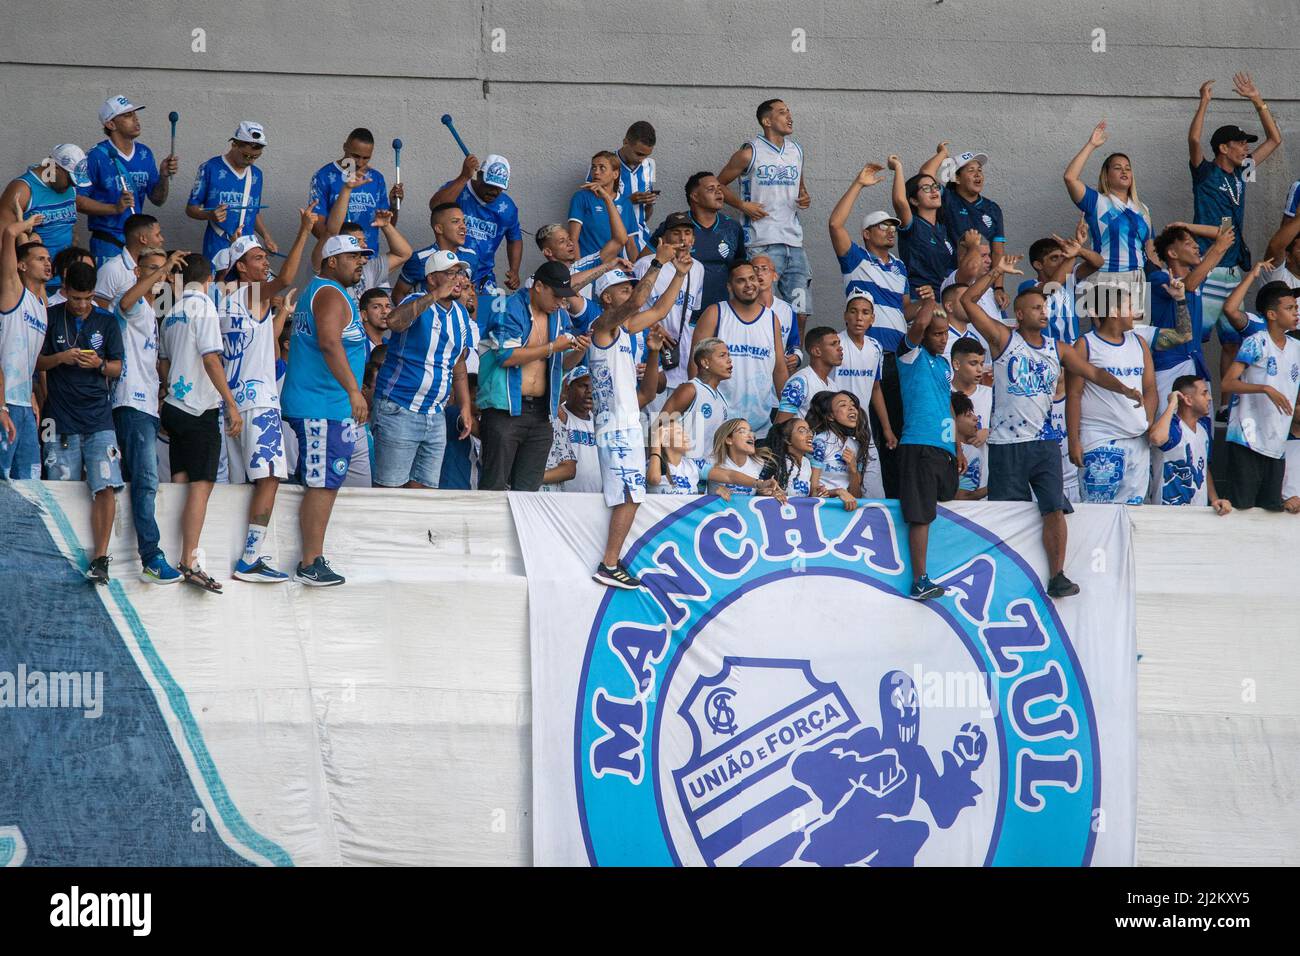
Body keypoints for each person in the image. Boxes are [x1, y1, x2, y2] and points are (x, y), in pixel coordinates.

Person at [962, 255, 1143, 598]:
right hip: (1006, 443)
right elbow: (967, 301)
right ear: (1019, 313)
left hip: (1044, 443)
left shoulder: (1057, 347)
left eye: (1044, 308)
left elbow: (1093, 373)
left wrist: (1125, 388)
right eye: (1034, 308)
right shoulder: (1003, 339)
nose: (1043, 313)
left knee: (1054, 507)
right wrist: (995, 273)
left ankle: (1057, 575)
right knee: (1006, 511)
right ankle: (1003, 574)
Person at [220, 212, 314, 582]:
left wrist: (280, 318)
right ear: (241, 268)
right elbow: (289, 277)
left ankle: (231, 553)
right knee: (271, 478)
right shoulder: (250, 292)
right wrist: (304, 229)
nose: (266, 265)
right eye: (258, 259)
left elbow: (263, 348)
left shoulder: (224, 299)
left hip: (232, 400)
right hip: (259, 402)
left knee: (239, 483)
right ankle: (249, 558)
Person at [586, 248, 689, 588]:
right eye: (624, 287)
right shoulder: (601, 326)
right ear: (606, 296)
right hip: (615, 424)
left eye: (633, 286)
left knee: (633, 491)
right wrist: (657, 263)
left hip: (626, 421)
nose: (632, 293)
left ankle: (611, 561)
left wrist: (679, 274)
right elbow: (637, 305)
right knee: (630, 492)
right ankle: (609, 563)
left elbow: (660, 308)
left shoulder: (627, 332)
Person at [280, 234, 373, 585]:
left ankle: (314, 556)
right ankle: (310, 561)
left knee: (324, 480)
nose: (361, 262)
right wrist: (353, 390)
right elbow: (330, 342)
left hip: (326, 405)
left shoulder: (325, 290)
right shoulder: (330, 294)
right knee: (322, 483)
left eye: (362, 256)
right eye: (353, 257)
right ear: (332, 261)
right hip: (322, 405)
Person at [830, 162, 926, 494]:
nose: (889, 230)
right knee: (867, 427)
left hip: (899, 355)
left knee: (897, 427)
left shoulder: (899, 266)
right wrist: (858, 183)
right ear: (867, 234)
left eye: (892, 226)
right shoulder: (854, 258)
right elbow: (835, 223)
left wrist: (926, 304)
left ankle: (898, 494)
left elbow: (904, 309)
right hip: (868, 354)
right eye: (882, 226)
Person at [157, 254, 242, 591]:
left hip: (174, 404)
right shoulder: (204, 307)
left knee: (181, 480)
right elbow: (211, 357)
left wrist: (172, 389)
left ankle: (174, 553)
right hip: (198, 408)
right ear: (208, 279)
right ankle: (189, 560)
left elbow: (162, 364)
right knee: (201, 485)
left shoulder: (171, 312)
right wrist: (231, 403)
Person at [35, 261, 123, 582]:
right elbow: (37, 361)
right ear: (66, 290)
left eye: (88, 299)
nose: (83, 305)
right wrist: (62, 357)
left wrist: (99, 364)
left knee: (107, 486)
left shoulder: (107, 320)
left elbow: (118, 368)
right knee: (61, 489)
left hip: (99, 418)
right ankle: (62, 555)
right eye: (76, 298)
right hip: (59, 418)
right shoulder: (51, 316)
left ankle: (100, 558)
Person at [1187, 74, 1283, 357]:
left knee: (1233, 344)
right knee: (1194, 340)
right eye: (1240, 143)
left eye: (1246, 144)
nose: (1246, 148)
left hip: (1233, 271)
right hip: (1208, 265)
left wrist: (1257, 100)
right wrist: (1204, 102)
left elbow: (1274, 139)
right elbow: (1193, 138)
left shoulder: (1243, 173)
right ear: (1223, 148)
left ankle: (1227, 403)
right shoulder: (1204, 173)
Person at [477, 261, 588, 491]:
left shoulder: (559, 316)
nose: (560, 302)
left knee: (529, 491)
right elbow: (505, 356)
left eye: (564, 297)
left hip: (541, 413)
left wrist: (579, 351)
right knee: (494, 487)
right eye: (557, 295)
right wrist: (550, 348)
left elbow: (562, 364)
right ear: (538, 286)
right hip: (504, 410)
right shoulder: (507, 307)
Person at [113, 246, 187, 583]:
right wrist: (164, 268)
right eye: (154, 269)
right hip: (130, 403)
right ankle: (151, 556)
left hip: (145, 407)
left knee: (138, 482)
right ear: (137, 272)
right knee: (145, 482)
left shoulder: (153, 313)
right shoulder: (133, 304)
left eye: (166, 271)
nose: (163, 276)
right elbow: (125, 302)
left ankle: (125, 557)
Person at [372, 251, 474, 489]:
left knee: (424, 492)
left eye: (459, 272)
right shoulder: (416, 300)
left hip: (435, 413)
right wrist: (436, 295)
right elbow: (394, 322)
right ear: (431, 279)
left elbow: (458, 364)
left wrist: (465, 406)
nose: (458, 279)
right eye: (450, 273)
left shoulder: (460, 313)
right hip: (399, 407)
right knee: (390, 490)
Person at [718, 99, 811, 324]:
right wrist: (742, 205)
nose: (789, 116)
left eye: (789, 111)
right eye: (782, 112)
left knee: (800, 307)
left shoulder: (796, 150)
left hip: (794, 241)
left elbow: (800, 186)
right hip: (761, 241)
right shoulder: (750, 152)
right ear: (767, 121)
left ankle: (795, 353)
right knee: (761, 303)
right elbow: (717, 183)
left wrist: (804, 196)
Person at [1066, 290, 1157, 504]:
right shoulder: (1085, 344)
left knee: (1132, 513)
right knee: (1098, 512)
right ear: (1115, 312)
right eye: (1130, 307)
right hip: (1100, 439)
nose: (1135, 313)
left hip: (1138, 441)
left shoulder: (1140, 343)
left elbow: (1151, 388)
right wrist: (1073, 442)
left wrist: (1148, 420)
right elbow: (1074, 394)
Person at [895, 294, 957, 600]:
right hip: (918, 445)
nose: (943, 339)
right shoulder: (910, 355)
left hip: (943, 448)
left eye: (946, 333)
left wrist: (955, 446)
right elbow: (919, 322)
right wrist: (931, 301)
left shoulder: (944, 363)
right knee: (921, 515)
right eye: (936, 333)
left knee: (947, 503)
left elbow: (945, 405)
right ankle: (920, 580)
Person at [1221, 281, 1300, 510]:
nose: (1296, 313)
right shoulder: (1256, 342)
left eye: (1296, 308)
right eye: (1290, 308)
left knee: (1271, 508)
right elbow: (1227, 383)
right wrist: (1265, 388)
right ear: (1272, 314)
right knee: (1242, 506)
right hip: (1248, 439)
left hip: (1277, 441)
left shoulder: (1296, 347)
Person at [689, 260, 789, 440]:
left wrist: (788, 412)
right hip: (718, 426)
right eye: (741, 280)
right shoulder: (715, 313)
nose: (749, 284)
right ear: (730, 286)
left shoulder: (771, 319)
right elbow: (695, 366)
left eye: (752, 278)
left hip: (759, 429)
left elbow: (780, 369)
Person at [78, 95, 177, 267]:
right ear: (111, 124)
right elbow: (78, 201)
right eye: (127, 115)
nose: (136, 119)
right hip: (107, 240)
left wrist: (163, 176)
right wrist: (114, 208)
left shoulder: (144, 153)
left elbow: (158, 199)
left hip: (139, 241)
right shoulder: (95, 156)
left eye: (135, 114)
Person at [1064, 122, 1154, 301]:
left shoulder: (1142, 208)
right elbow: (1070, 177)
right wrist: (1091, 145)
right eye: (1117, 167)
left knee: (1136, 330)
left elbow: (1150, 248)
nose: (1124, 171)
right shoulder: (1097, 201)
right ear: (1106, 175)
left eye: (1128, 168)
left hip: (1137, 278)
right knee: (1108, 329)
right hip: (1105, 276)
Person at [1147, 222, 1236, 404]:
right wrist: (1217, 248)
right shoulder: (1159, 278)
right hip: (1168, 366)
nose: (1196, 246)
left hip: (1196, 363)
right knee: (1170, 425)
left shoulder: (1198, 275)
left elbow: (1225, 233)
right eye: (1188, 243)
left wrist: (1185, 226)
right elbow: (1187, 285)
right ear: (1172, 253)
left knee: (1201, 426)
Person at [631, 211, 704, 408]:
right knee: (652, 423)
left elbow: (691, 313)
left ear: (694, 239)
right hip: (652, 356)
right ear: (664, 238)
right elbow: (630, 308)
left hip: (681, 357)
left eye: (688, 233)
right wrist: (652, 325)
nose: (683, 239)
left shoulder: (697, 268)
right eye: (676, 233)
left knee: (675, 430)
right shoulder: (646, 265)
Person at [648, 172, 745, 315]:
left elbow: (740, 268)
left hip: (721, 314)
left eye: (719, 188)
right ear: (695, 197)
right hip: (679, 316)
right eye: (711, 189)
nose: (719, 192)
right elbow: (645, 261)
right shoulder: (674, 226)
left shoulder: (732, 227)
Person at [0, 214, 50, 480]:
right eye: (40, 259)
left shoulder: (41, 305)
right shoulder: (11, 293)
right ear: (20, 266)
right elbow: (9, 233)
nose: (47, 263)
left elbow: (29, 361)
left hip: (24, 404)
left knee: (30, 480)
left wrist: (32, 394)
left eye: (49, 258)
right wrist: (24, 225)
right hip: (3, 401)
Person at [0, 145, 91, 287]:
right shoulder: (23, 189)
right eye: (70, 180)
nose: (72, 185)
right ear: (54, 168)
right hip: (31, 280)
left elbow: (68, 226)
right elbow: (2, 239)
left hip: (64, 279)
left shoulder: (70, 189)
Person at [186, 121, 274, 267]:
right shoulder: (209, 168)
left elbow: (253, 211)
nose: (250, 161)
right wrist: (209, 215)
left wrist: (266, 236)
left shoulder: (257, 175)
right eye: (246, 155)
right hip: (217, 244)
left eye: (256, 157)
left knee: (249, 289)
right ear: (234, 144)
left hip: (247, 247)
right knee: (217, 287)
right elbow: (190, 209)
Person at [429, 153, 520, 292]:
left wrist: (514, 270)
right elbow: (435, 206)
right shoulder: (459, 189)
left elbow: (515, 239)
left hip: (483, 275)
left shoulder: (507, 207)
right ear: (479, 176)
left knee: (485, 311)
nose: (494, 191)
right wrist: (464, 176)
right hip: (449, 270)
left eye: (499, 188)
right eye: (490, 185)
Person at [928, 146, 1006, 305]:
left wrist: (998, 287)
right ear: (956, 178)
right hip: (955, 277)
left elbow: (997, 251)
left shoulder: (992, 208)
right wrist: (943, 155)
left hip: (984, 281)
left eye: (980, 170)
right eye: (971, 170)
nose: (978, 174)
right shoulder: (947, 199)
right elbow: (926, 176)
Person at [308, 128, 401, 255]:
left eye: (366, 158)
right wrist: (340, 250)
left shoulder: (376, 178)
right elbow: (316, 225)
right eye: (355, 156)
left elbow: (387, 225)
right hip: (337, 261)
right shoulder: (323, 176)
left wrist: (394, 206)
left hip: (368, 258)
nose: (360, 162)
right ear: (345, 147)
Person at [316, 182, 413, 301]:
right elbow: (330, 233)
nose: (364, 245)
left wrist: (386, 225)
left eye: (364, 240)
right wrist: (347, 189)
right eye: (357, 241)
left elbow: (403, 253)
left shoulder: (367, 269)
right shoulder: (324, 270)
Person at [1148, 375, 1229, 512]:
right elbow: (1156, 438)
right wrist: (1172, 404)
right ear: (1188, 399)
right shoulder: (1173, 427)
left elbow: (1203, 468)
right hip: (1167, 513)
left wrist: (1214, 499)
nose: (1210, 398)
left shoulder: (1203, 429)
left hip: (1198, 512)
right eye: (1204, 393)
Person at [659, 336, 731, 474]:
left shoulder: (722, 400)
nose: (729, 360)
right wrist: (661, 469)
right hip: (680, 475)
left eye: (729, 355)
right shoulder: (690, 390)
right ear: (705, 362)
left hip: (705, 476)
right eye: (722, 355)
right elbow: (658, 427)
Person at [836, 293, 896, 454]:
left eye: (865, 312)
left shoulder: (876, 347)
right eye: (854, 311)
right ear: (845, 315)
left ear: (872, 318)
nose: (859, 318)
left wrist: (887, 429)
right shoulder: (835, 343)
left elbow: (875, 389)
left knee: (872, 477)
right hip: (836, 427)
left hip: (864, 427)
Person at [1023, 224, 1102, 345]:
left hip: (1072, 349)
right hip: (1045, 350)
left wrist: (1079, 250)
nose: (1061, 262)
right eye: (1054, 258)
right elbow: (1052, 287)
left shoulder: (1070, 278)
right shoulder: (1027, 286)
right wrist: (1073, 254)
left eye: (1063, 257)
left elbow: (1098, 262)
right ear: (1038, 265)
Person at [889, 149, 954, 293]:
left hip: (943, 297)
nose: (933, 191)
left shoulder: (941, 227)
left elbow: (927, 172)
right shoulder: (912, 224)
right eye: (926, 188)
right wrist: (898, 167)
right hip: (919, 297)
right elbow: (900, 201)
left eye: (935, 187)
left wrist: (943, 153)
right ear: (913, 200)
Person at [393, 202, 481, 305]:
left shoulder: (471, 256)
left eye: (464, 222)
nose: (463, 227)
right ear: (439, 228)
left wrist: (471, 321)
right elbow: (398, 294)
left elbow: (472, 294)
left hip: (459, 320)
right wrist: (417, 319)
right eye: (455, 221)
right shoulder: (419, 259)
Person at [762, 418, 855, 508]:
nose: (810, 435)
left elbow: (810, 496)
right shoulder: (774, 461)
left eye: (810, 431)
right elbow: (760, 491)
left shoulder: (806, 463)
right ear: (787, 439)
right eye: (802, 431)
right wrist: (771, 493)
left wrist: (835, 492)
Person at [808, 389, 879, 499]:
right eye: (843, 405)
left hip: (847, 511)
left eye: (853, 405)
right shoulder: (820, 442)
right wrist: (838, 492)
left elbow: (856, 496)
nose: (852, 408)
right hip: (823, 508)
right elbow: (813, 492)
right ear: (830, 416)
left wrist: (853, 470)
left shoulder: (856, 445)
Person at [569, 151, 638, 259]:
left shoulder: (625, 203)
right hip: (588, 265)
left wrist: (636, 271)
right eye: (593, 168)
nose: (596, 172)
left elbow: (631, 245)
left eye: (602, 168)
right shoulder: (581, 197)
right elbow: (573, 239)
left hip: (614, 267)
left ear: (615, 174)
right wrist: (578, 269)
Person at [93, 213, 164, 310]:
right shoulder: (112, 269)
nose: (162, 239)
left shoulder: (155, 267)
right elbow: (99, 312)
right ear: (143, 239)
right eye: (157, 235)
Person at [950, 337, 992, 496]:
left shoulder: (991, 395)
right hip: (952, 483)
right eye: (973, 363)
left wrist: (988, 432)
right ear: (956, 364)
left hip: (986, 486)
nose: (980, 370)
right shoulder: (943, 395)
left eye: (981, 363)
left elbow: (1010, 428)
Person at [775, 326, 841, 422]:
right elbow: (780, 425)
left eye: (839, 343)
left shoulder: (833, 386)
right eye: (833, 344)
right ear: (816, 351)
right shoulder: (799, 382)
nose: (840, 348)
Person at [751, 253, 802, 368]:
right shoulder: (743, 309)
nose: (759, 273)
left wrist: (796, 357)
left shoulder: (787, 310)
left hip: (778, 374)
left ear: (775, 276)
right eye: (755, 269)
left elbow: (793, 345)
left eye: (765, 269)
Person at [557, 365, 601, 494]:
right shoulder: (562, 416)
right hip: (566, 498)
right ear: (568, 389)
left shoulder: (600, 421)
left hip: (597, 499)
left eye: (593, 387)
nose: (589, 391)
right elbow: (553, 399)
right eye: (583, 386)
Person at [708, 418, 767, 496]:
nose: (751, 436)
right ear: (729, 440)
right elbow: (698, 492)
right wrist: (714, 491)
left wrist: (764, 492)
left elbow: (760, 492)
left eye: (751, 432)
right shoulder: (711, 462)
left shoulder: (759, 463)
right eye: (742, 431)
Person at [950, 392, 987, 501]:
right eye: (968, 415)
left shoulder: (974, 450)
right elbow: (961, 496)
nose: (976, 418)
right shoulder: (954, 451)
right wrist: (993, 487)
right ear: (953, 419)